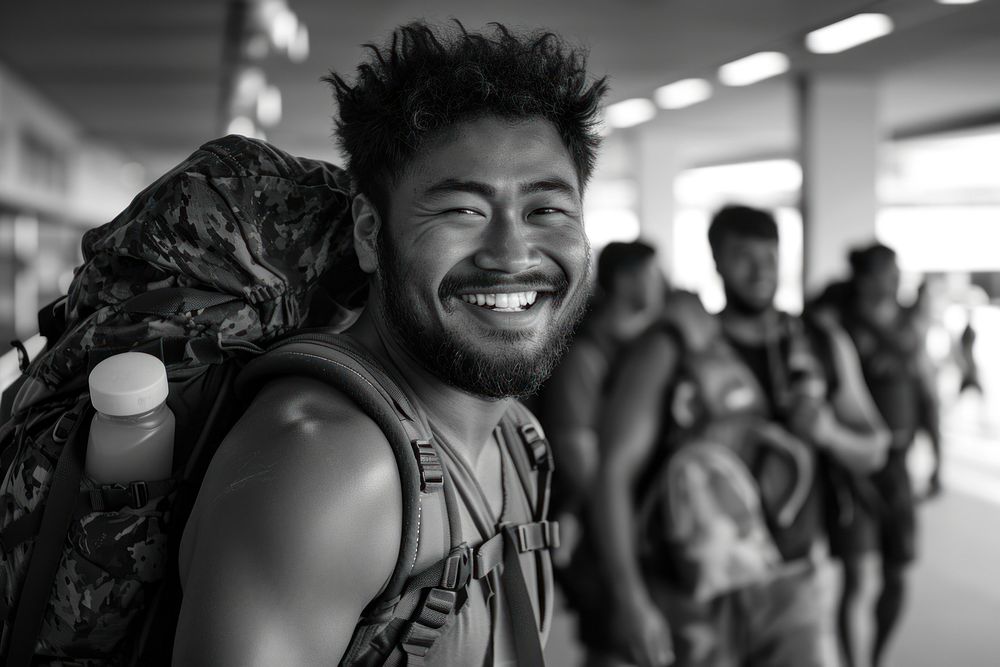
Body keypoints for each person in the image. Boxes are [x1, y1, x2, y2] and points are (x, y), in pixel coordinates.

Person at [172, 21, 607, 666]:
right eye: (463, 209)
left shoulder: (518, 435)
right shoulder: (329, 468)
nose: (513, 253)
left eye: (548, 211)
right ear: (372, 235)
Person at [593, 205, 889, 667]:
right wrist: (630, 599)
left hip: (795, 588)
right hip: (693, 591)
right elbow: (612, 472)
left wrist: (828, 432)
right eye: (743, 256)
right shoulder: (675, 348)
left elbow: (875, 448)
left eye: (770, 255)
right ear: (716, 261)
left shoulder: (820, 344)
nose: (760, 270)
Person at [534, 240, 665, 666]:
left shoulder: (640, 345)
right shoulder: (584, 355)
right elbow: (578, 456)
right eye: (652, 273)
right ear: (627, 281)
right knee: (615, 643)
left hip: (630, 527)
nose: (660, 284)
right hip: (596, 531)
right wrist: (622, 514)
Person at [837, 243, 939, 666]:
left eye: (896, 272)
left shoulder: (909, 330)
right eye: (885, 272)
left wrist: (938, 458)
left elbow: (927, 396)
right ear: (864, 278)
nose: (894, 280)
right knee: (858, 576)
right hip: (853, 466)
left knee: (897, 574)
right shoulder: (839, 328)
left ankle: (875, 656)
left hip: (898, 464)